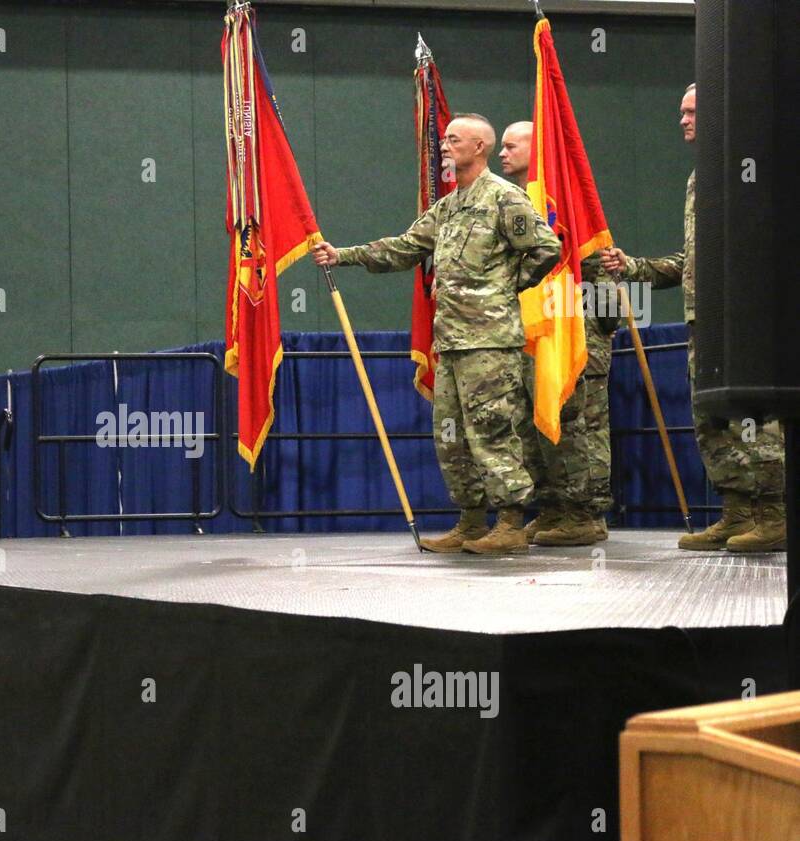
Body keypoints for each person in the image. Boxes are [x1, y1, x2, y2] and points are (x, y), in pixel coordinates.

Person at [314, 113, 560, 555]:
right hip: (450, 341)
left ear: (479, 147)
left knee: (492, 430)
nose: (445, 146)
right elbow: (406, 247)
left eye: (453, 140)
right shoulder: (448, 206)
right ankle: (469, 521)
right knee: (451, 435)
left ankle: (509, 523)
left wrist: (506, 285)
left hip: (489, 341)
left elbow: (547, 248)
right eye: (445, 140)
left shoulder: (505, 199)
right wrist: (343, 255)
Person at [602, 84, 786, 552]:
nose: (682, 121)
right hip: (701, 319)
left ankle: (775, 516)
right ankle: (737, 512)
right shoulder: (700, 176)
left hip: (744, 319)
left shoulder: (754, 168)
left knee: (755, 417)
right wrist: (634, 268)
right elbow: (693, 260)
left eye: (691, 113)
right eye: (681, 112)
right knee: (711, 418)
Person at [498, 121, 616, 546]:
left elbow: (600, 271)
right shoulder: (514, 200)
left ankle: (585, 511)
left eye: (512, 146)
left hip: (575, 331)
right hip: (534, 330)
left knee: (577, 423)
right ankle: (553, 508)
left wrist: (596, 334)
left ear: (539, 147)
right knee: (534, 424)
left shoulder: (563, 198)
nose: (503, 153)